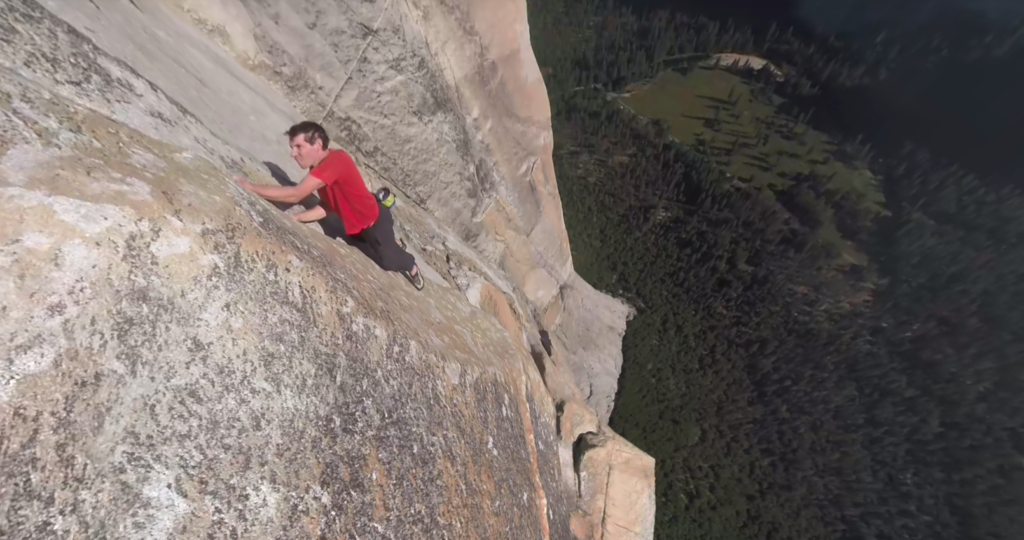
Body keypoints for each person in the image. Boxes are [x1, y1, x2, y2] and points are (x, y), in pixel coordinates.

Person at [236, 121, 424, 290]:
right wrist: (299, 217)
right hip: (356, 222)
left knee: (388, 260)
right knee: (359, 241)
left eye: (298, 147)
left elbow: (296, 194)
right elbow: (329, 205)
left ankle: (412, 266)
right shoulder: (319, 167)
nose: (293, 154)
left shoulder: (334, 163)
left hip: (375, 219)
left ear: (317, 145)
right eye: (292, 148)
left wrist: (250, 187)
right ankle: (395, 242)